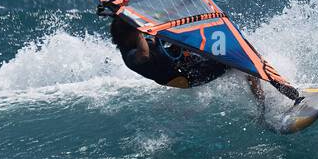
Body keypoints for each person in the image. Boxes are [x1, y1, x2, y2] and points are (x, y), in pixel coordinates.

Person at [109, 17, 264, 101]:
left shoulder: (136, 41)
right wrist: (139, 32)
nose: (140, 32)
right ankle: (262, 108)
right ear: (129, 36)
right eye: (137, 31)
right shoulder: (130, 55)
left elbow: (162, 26)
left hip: (185, 62)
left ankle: (255, 61)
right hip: (187, 76)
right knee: (235, 59)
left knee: (222, 44)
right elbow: (144, 54)